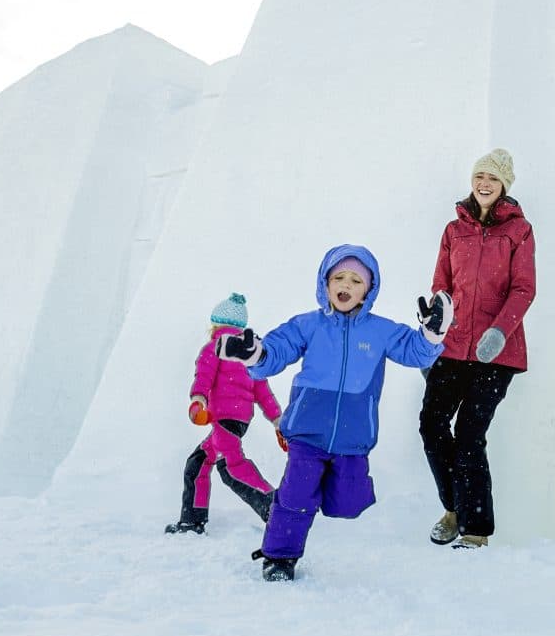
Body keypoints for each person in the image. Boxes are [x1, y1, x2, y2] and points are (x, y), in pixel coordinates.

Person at [217, 244, 452, 581]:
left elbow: (415, 352)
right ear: (325, 284)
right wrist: (255, 353)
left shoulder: (380, 330)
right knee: (297, 495)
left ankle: (318, 495)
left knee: (348, 503)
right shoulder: (307, 325)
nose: (346, 285)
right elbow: (276, 351)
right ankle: (279, 557)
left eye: (356, 280)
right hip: (308, 431)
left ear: (369, 290)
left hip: (354, 436)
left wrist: (431, 334)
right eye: (338, 277)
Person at [419, 148, 536, 549]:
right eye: (478, 176)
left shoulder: (519, 231)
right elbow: (442, 284)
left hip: (495, 353)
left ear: (504, 185)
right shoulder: (454, 230)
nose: (484, 183)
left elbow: (524, 288)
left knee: (469, 435)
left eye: (492, 177)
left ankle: (476, 529)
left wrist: (500, 332)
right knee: (432, 427)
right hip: (452, 348)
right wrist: (435, 318)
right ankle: (454, 508)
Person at [165, 293, 284, 534]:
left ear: (216, 325)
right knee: (198, 463)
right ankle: (192, 520)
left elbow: (204, 377)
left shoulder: (214, 348)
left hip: (223, 418)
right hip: (239, 421)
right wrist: (277, 420)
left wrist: (198, 400)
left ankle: (274, 508)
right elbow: (263, 391)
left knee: (231, 468)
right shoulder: (250, 353)